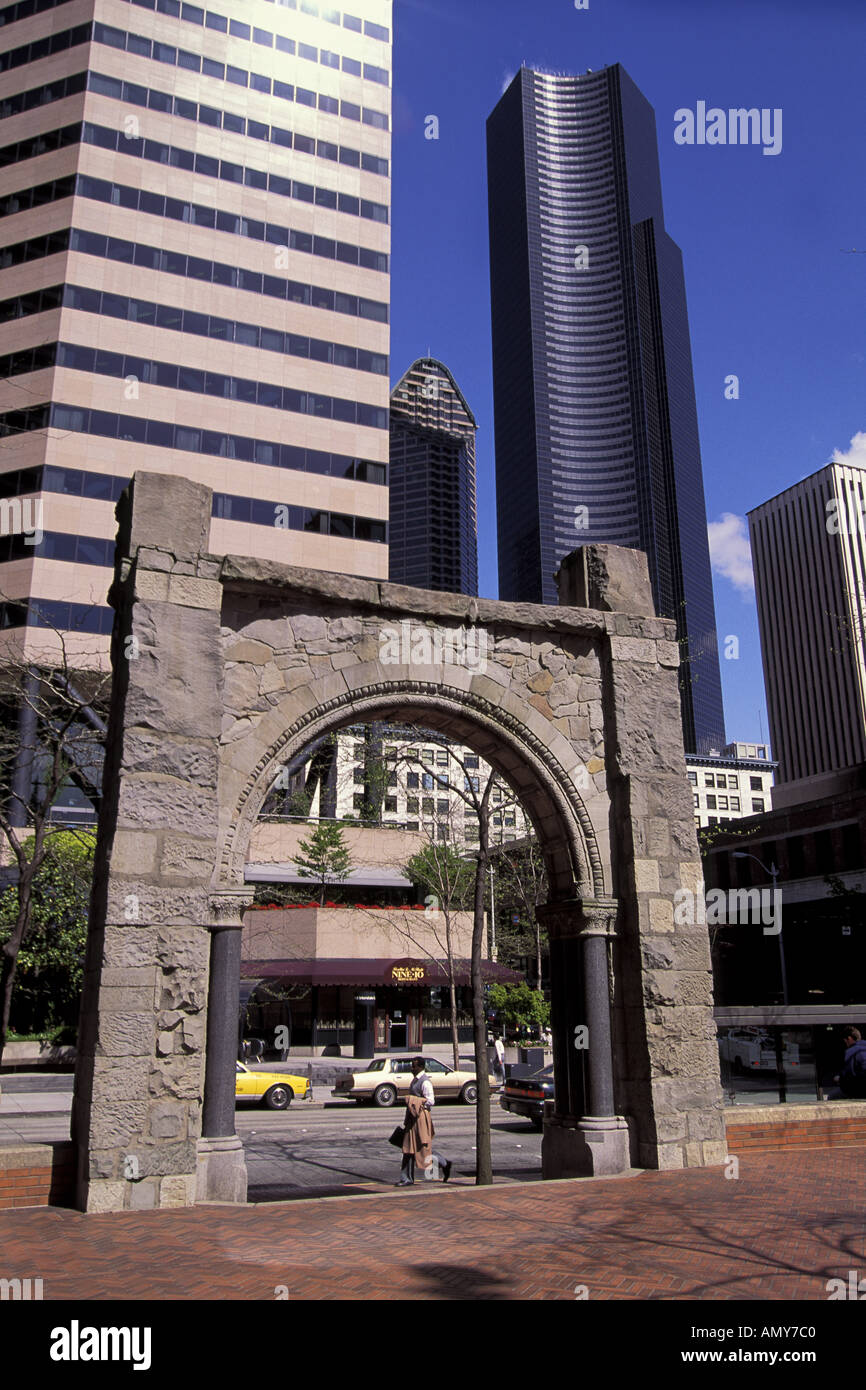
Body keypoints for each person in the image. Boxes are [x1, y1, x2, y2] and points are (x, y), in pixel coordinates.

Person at [395, 1057, 452, 1185]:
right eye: (411, 1066)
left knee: (423, 1147)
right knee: (408, 1148)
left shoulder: (425, 1082)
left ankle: (444, 1163)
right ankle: (406, 1178)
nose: (412, 1068)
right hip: (412, 1117)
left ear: (420, 1067)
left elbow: (431, 1101)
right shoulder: (414, 1080)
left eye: (414, 1066)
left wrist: (414, 1101)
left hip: (420, 1117)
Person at [838, 1027, 866, 1099]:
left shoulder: (852, 1051)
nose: (846, 1044)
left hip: (860, 1091)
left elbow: (849, 1074)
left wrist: (839, 1079)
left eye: (845, 1041)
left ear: (849, 1038)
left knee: (832, 1096)